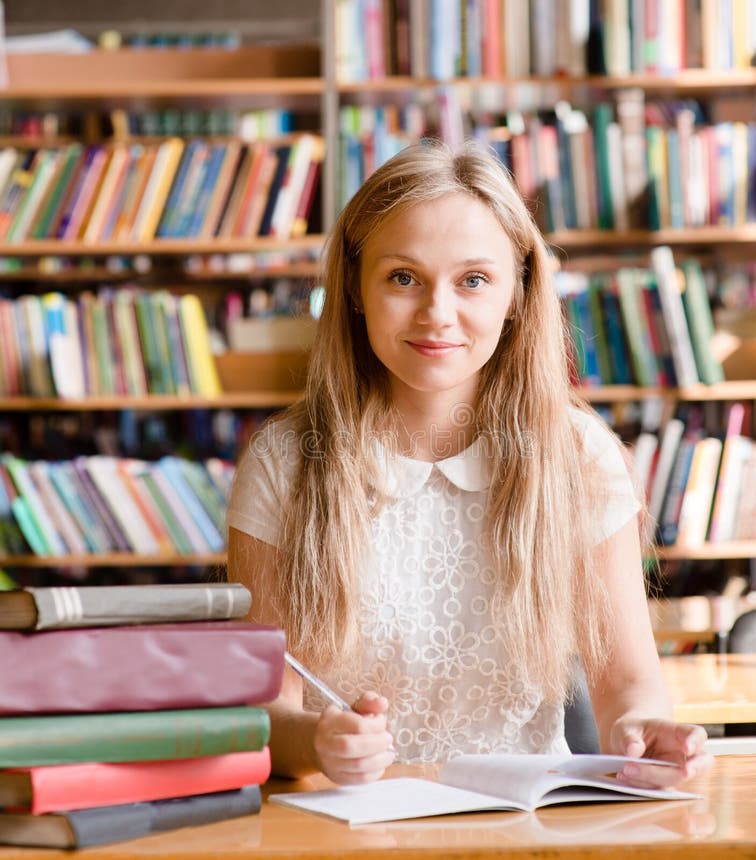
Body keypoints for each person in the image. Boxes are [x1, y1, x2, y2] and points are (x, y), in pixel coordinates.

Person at [227, 140, 712, 789]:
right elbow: (264, 707)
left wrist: (645, 728)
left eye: (473, 280)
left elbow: (627, 681)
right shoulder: (284, 464)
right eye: (403, 277)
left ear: (517, 291)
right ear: (355, 286)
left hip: (525, 825)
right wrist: (316, 742)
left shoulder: (579, 456)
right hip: (342, 825)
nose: (437, 314)